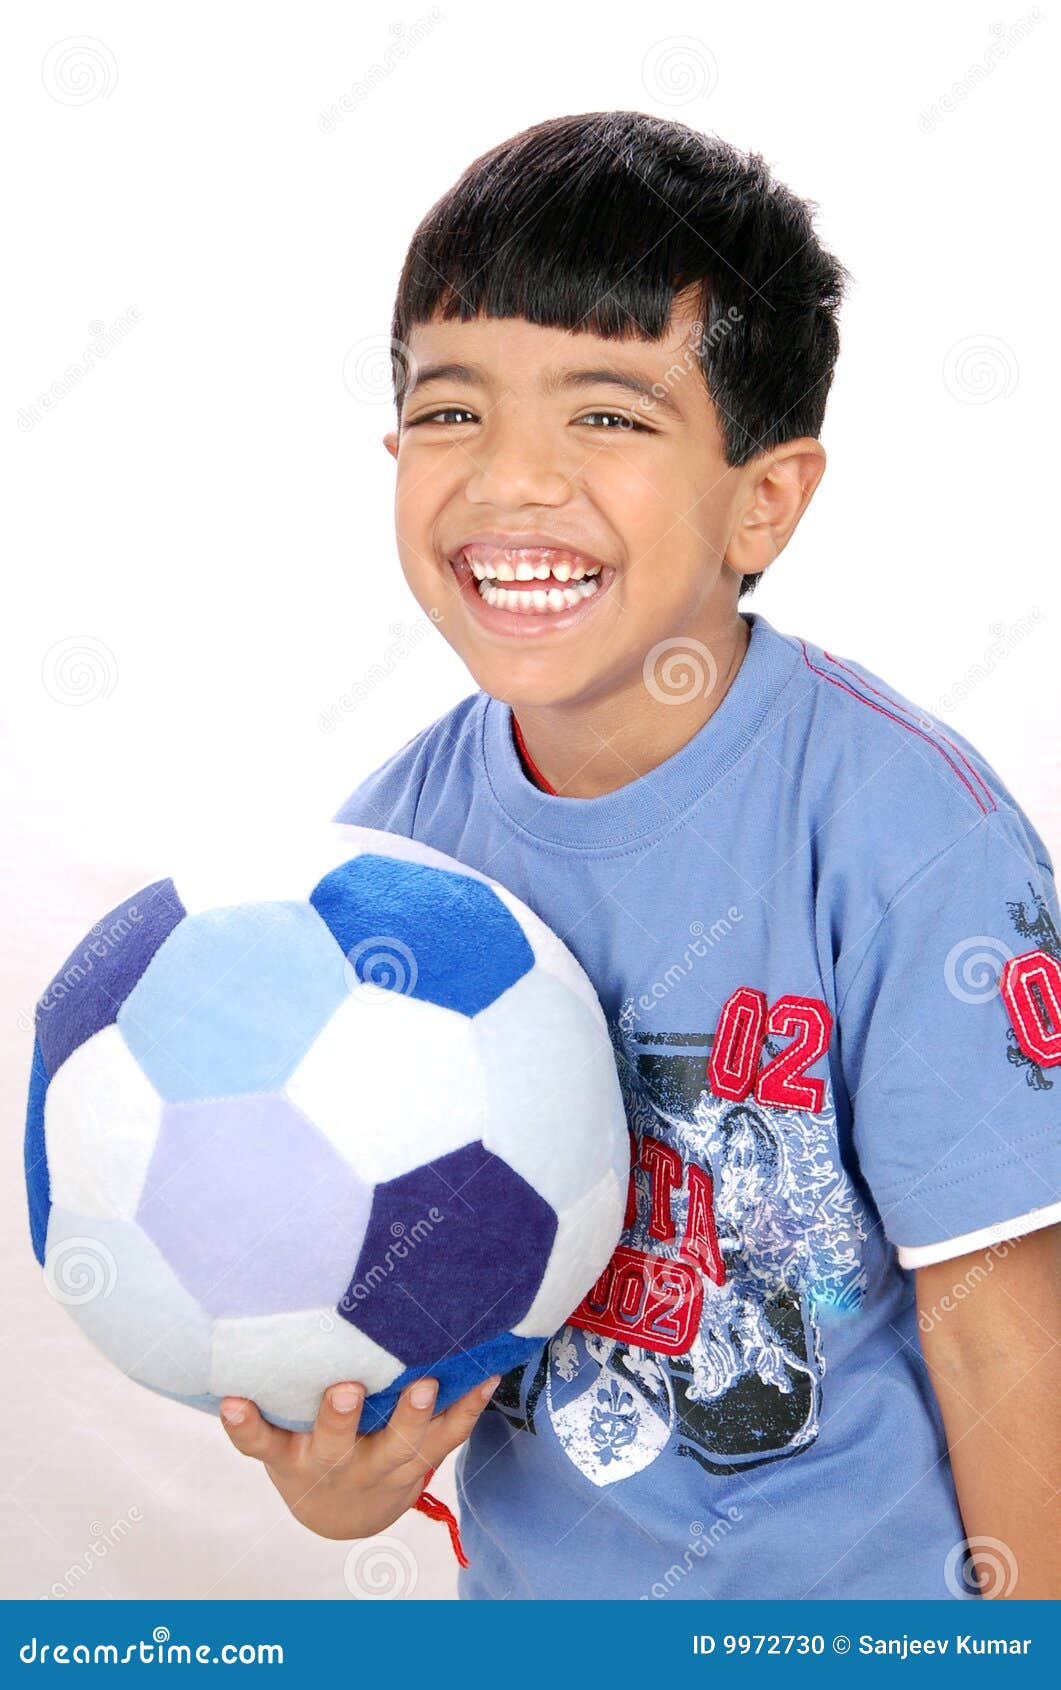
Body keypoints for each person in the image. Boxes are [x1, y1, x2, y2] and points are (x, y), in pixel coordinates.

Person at [219, 111, 1061, 1600]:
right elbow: (377, 1369)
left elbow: (1010, 1337)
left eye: (604, 416)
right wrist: (345, 1482)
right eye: (451, 412)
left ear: (764, 498)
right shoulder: (389, 862)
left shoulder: (905, 837)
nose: (511, 482)